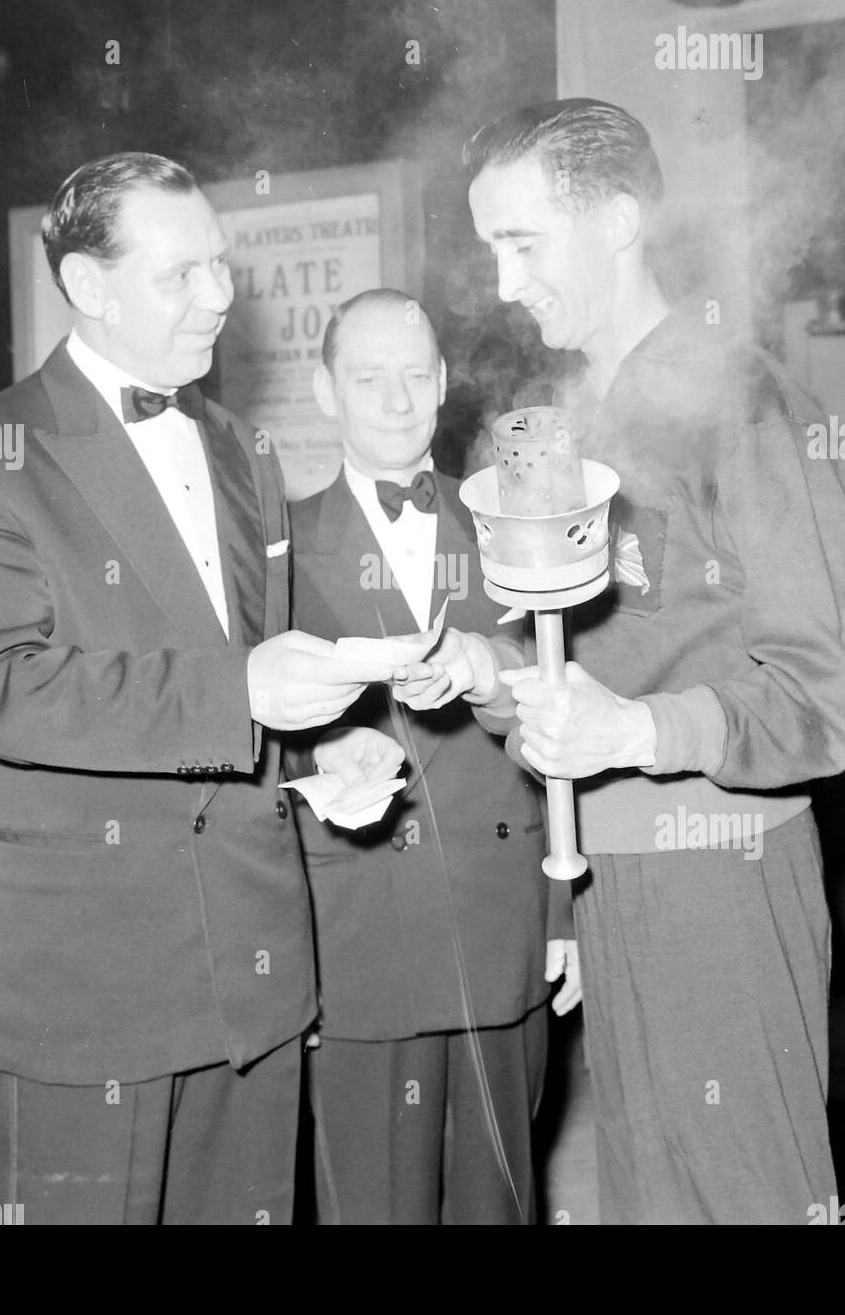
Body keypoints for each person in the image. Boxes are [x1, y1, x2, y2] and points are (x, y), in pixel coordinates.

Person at [0, 152, 408, 1225]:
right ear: (90, 287)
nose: (222, 298)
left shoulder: (237, 445)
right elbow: (1, 687)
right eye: (181, 275)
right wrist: (244, 692)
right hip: (88, 984)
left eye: (221, 266)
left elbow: (244, 649)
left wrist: (320, 749)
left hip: (253, 969)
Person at [455, 99, 845, 1224]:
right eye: (488, 251)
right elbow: (592, 673)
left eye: (522, 243)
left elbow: (841, 679)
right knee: (654, 1202)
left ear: (613, 220)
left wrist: (644, 733)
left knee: (743, 1199)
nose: (503, 284)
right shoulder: (577, 422)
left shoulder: (738, 400)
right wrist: (490, 679)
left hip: (722, 881)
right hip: (618, 879)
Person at [289, 288, 577, 1224]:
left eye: (417, 375)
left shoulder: (517, 529)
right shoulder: (271, 551)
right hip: (353, 945)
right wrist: (323, 742)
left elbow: (571, 728)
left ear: (445, 383)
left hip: (500, 931)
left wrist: (565, 910)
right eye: (369, 378)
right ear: (325, 389)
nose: (398, 399)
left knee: (500, 1205)